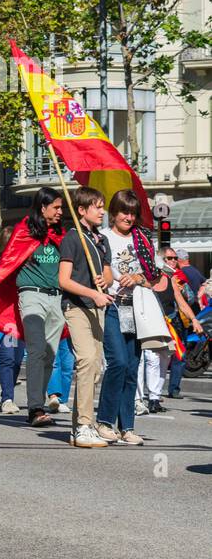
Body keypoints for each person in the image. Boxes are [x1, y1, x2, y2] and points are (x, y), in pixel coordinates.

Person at [0, 186, 65, 426]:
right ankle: (35, 408)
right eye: (56, 207)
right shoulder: (24, 231)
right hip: (30, 296)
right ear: (43, 207)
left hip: (56, 299)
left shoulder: (61, 234)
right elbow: (6, 263)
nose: (60, 212)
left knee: (49, 354)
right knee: (37, 348)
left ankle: (38, 401)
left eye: (61, 207)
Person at [95, 190, 156, 446]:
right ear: (113, 213)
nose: (129, 217)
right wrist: (118, 278)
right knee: (118, 362)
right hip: (112, 305)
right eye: (124, 212)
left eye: (132, 213)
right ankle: (104, 422)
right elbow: (99, 272)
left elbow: (154, 277)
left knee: (132, 368)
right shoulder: (103, 238)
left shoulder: (141, 239)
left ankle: (126, 426)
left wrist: (139, 278)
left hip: (138, 308)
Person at [57, 187, 115, 449]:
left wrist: (105, 280)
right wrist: (93, 291)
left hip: (97, 307)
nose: (102, 211)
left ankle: (79, 426)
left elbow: (108, 274)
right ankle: (84, 425)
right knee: (87, 360)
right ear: (82, 210)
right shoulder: (71, 238)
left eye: (102, 206)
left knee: (95, 369)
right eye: (97, 206)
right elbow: (63, 280)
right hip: (77, 306)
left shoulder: (102, 240)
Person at [158, 246, 202, 402]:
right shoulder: (157, 274)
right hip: (161, 319)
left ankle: (172, 389)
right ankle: (151, 393)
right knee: (155, 357)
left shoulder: (179, 275)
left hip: (179, 319)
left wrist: (193, 319)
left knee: (178, 354)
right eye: (170, 258)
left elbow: (187, 299)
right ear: (162, 260)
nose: (174, 261)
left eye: (175, 258)